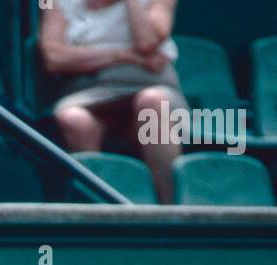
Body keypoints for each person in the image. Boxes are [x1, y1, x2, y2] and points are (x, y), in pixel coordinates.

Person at [39, 0, 187, 203]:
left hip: (148, 84)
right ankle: (99, 210)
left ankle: (171, 210)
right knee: (73, 119)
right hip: (88, 92)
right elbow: (54, 58)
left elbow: (147, 42)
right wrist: (122, 55)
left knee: (153, 102)